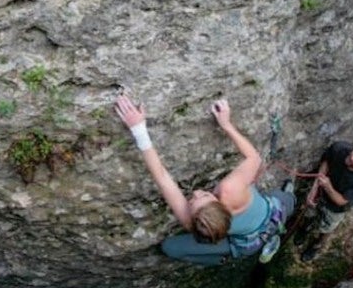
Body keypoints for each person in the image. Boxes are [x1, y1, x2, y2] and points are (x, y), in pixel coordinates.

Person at [114, 94, 295, 266]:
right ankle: (230, 254)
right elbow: (254, 159)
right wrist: (226, 124)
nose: (196, 193)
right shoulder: (213, 205)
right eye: (202, 197)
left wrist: (139, 129)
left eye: (193, 200)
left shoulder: (223, 194)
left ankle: (238, 249)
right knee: (288, 199)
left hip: (256, 233)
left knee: (170, 248)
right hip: (274, 215)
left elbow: (162, 178)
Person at [296, 139, 353, 262]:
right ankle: (305, 230)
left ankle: (316, 245)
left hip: (336, 208)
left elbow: (341, 201)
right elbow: (326, 162)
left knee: (326, 228)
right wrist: (315, 187)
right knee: (310, 213)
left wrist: (328, 186)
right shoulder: (340, 148)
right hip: (321, 191)